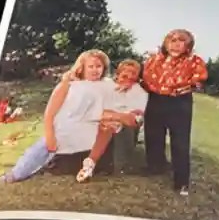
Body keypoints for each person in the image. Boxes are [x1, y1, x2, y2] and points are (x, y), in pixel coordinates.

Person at [0, 49, 110, 184]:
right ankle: (15, 175)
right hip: (64, 129)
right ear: (82, 68)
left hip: (88, 131)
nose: (95, 70)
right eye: (90, 66)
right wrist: (50, 136)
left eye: (99, 66)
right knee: (41, 149)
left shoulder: (105, 86)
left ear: (104, 68)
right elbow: (49, 113)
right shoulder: (68, 85)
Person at [141, 29, 208, 197]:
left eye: (181, 41)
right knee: (153, 135)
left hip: (179, 102)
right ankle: (155, 167)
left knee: (180, 141)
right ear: (165, 43)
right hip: (156, 99)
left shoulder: (193, 60)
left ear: (188, 45)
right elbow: (147, 78)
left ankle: (181, 181)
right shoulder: (155, 59)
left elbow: (199, 80)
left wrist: (179, 87)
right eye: (172, 40)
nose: (176, 44)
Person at [76, 59, 149, 183]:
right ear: (118, 72)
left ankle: (93, 164)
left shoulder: (139, 92)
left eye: (133, 73)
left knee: (114, 124)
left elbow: (136, 119)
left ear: (138, 77)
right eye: (125, 71)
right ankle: (89, 163)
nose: (129, 75)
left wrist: (115, 115)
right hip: (101, 119)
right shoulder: (106, 85)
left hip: (119, 124)